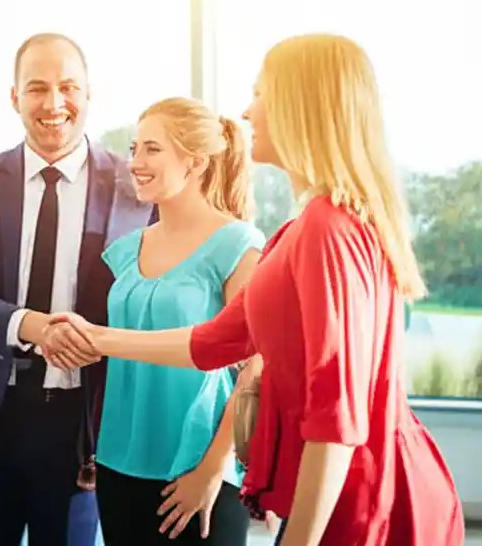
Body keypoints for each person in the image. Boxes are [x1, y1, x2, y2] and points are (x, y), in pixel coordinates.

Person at [40, 34, 465, 546]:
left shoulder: (326, 229)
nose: (246, 111)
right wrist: (97, 338)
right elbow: (216, 342)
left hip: (367, 502)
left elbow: (336, 422)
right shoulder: (306, 227)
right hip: (345, 490)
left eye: (260, 94)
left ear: (300, 106)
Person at [0, 32, 154, 545]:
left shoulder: (136, 188)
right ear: (14, 98)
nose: (54, 104)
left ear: (88, 94)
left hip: (82, 434)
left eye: (67, 87)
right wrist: (34, 328)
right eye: (36, 88)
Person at [90, 96, 262, 546]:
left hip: (197, 468)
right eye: (134, 149)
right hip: (117, 463)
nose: (136, 162)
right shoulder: (126, 250)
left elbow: (256, 368)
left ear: (196, 161)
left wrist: (212, 470)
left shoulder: (237, 244)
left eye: (152, 149)